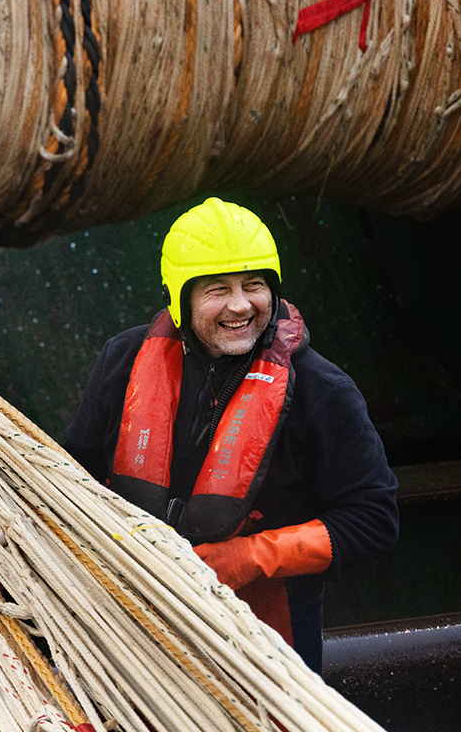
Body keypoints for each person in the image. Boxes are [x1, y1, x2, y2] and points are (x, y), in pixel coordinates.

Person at [64, 197, 399, 673]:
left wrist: (249, 557)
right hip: (136, 621)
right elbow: (70, 477)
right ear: (178, 298)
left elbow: (374, 520)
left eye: (255, 286)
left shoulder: (322, 391)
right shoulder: (123, 361)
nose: (241, 306)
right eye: (217, 290)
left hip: (267, 642)